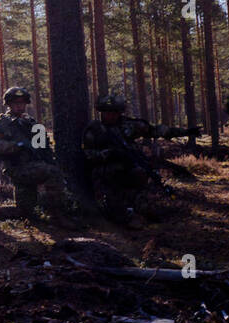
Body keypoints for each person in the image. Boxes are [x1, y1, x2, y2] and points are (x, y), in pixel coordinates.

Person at [82, 93, 199, 226]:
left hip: (129, 171)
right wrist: (109, 154)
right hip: (106, 175)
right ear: (101, 112)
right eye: (107, 112)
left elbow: (155, 130)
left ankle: (139, 206)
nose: (110, 115)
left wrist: (185, 132)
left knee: (142, 177)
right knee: (112, 210)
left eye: (114, 112)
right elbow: (88, 155)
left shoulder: (128, 125)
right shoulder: (95, 130)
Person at [0, 86, 76, 225]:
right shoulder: (3, 122)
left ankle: (51, 211)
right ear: (9, 104)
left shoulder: (31, 122)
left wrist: (48, 158)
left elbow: (44, 148)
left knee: (26, 212)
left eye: (22, 103)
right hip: (17, 167)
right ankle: (56, 215)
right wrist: (17, 146)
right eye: (16, 103)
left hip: (32, 166)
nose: (19, 106)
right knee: (52, 173)